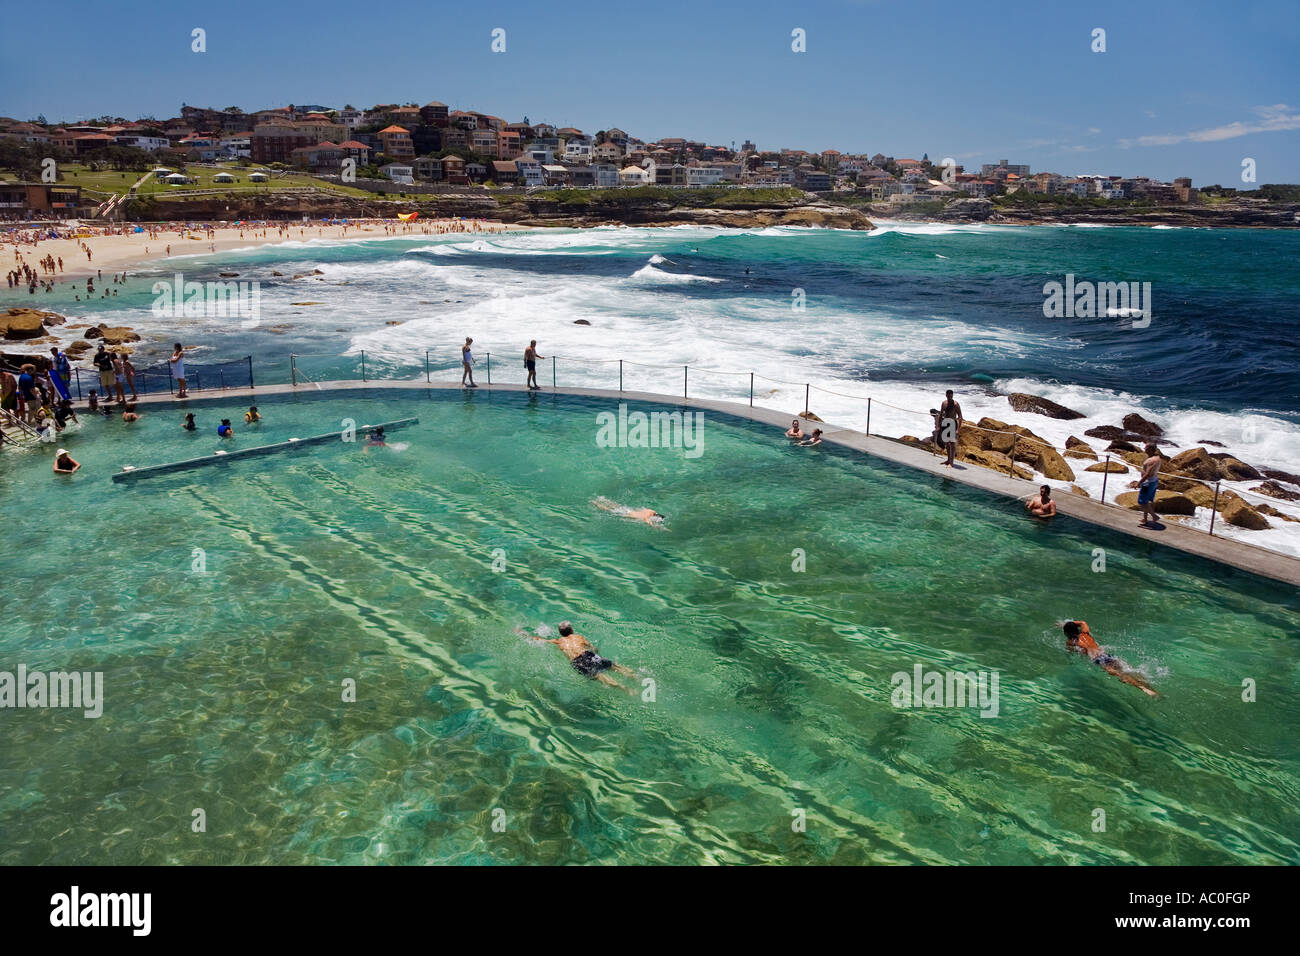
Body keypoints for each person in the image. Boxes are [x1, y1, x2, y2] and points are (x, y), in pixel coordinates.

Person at [519, 621, 637, 692]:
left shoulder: (558, 641)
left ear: (561, 633)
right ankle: (633, 675)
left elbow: (539, 640)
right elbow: (593, 648)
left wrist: (523, 634)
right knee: (612, 665)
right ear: (572, 629)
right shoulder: (578, 637)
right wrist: (596, 653)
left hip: (577, 662)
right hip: (587, 654)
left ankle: (625, 689)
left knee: (600, 676)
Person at [1062, 621, 1158, 697]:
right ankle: (1151, 688)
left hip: (1098, 660)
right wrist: (1071, 623)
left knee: (1121, 675)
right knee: (1129, 670)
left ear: (1067, 633)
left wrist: (1070, 657)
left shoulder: (1070, 642)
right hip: (1106, 655)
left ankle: (1143, 689)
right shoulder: (1085, 633)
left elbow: (1070, 652)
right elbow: (1083, 622)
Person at [593, 496, 665, 526]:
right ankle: (596, 504)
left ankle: (602, 499)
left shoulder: (650, 511)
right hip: (628, 515)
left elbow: (641, 509)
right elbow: (649, 523)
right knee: (609, 510)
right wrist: (658, 527)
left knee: (616, 506)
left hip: (629, 510)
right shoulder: (646, 517)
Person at [1137, 444, 1161, 528]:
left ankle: (1154, 516)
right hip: (1154, 481)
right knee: (1146, 501)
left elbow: (1147, 474)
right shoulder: (1157, 458)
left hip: (1148, 483)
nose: (1144, 449)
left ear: (1150, 449)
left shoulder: (1151, 461)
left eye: (1146, 448)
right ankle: (1145, 519)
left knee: (1142, 502)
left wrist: (1139, 482)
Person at [938, 389, 963, 467]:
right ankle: (948, 460)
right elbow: (941, 413)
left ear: (952, 396)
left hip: (952, 423)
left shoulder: (956, 404)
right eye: (948, 396)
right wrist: (938, 425)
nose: (949, 397)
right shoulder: (944, 403)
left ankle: (951, 462)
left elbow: (960, 417)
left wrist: (958, 429)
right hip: (945, 423)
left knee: (952, 444)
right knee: (947, 443)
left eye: (951, 396)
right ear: (946, 395)